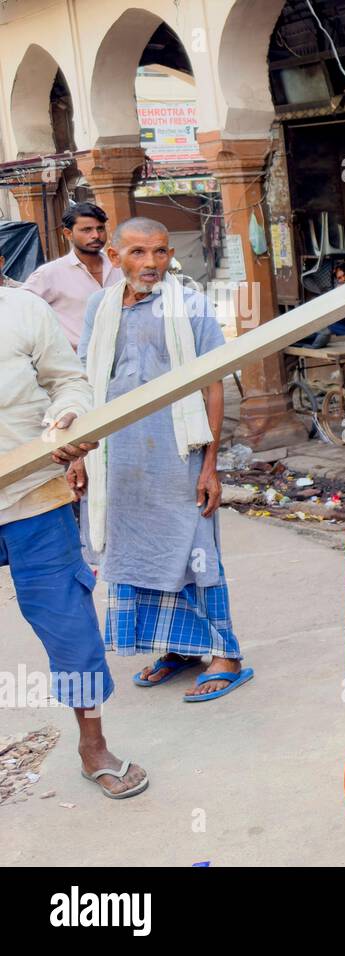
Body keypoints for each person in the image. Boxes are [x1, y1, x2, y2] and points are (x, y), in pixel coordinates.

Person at [69, 218, 254, 702]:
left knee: (195, 551)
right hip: (119, 460)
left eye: (159, 252)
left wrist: (211, 465)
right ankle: (177, 649)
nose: (150, 264)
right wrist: (80, 457)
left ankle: (225, 654)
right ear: (114, 257)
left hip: (179, 456)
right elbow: (87, 384)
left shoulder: (190, 306)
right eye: (137, 253)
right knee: (133, 553)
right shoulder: (100, 307)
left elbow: (213, 386)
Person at [0, 282, 148, 798]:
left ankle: (93, 746)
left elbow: (69, 382)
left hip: (30, 495)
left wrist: (69, 420)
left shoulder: (22, 309)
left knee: (70, 627)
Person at [21, 202, 122, 349]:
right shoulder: (50, 273)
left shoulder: (121, 267)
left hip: (122, 359)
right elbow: (20, 310)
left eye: (100, 228)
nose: (96, 235)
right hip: (76, 363)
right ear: (68, 234)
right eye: (87, 230)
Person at [295, 256, 345, 349]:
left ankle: (311, 344)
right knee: (322, 327)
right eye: (340, 278)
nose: (343, 279)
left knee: (327, 328)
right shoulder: (341, 289)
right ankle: (303, 343)